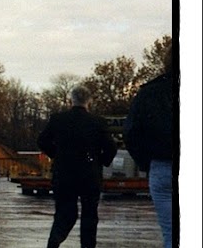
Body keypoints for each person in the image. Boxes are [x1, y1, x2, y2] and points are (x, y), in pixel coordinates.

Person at [38, 86, 117, 248]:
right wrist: (99, 161)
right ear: (89, 101)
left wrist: (56, 156)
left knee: (64, 213)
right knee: (89, 214)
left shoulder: (58, 120)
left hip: (64, 173)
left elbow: (42, 141)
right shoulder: (97, 122)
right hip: (89, 173)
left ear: (70, 100)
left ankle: (54, 242)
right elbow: (111, 147)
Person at [124, 44, 177, 248]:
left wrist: (146, 162)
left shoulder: (148, 93)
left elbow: (131, 133)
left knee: (171, 233)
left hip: (161, 166)